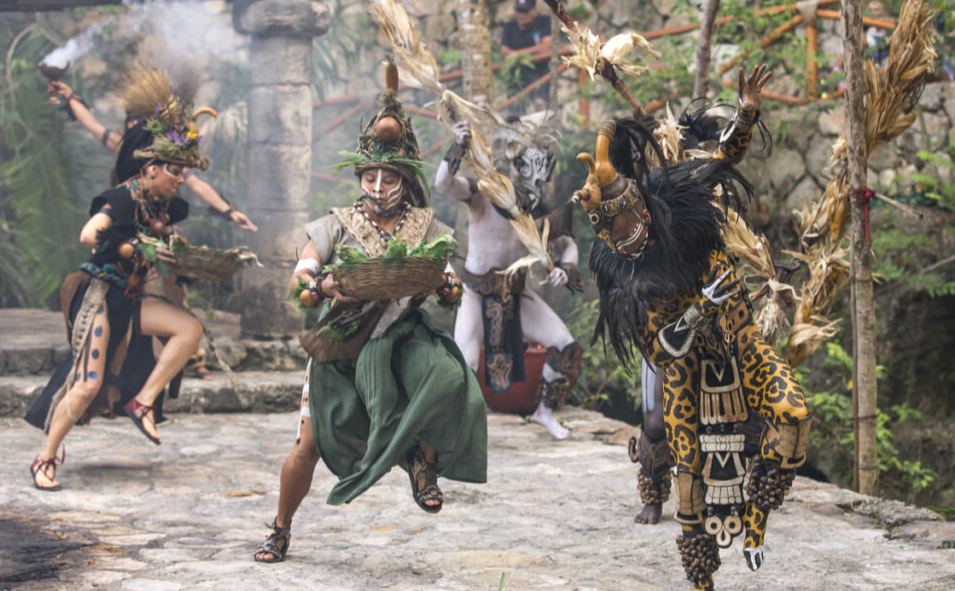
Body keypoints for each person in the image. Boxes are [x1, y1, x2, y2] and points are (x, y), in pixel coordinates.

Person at [253, 61, 487, 563]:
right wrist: (317, 285)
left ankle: (423, 466)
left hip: (402, 338)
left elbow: (447, 281)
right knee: (306, 446)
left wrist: (447, 287)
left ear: (405, 178)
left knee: (445, 374)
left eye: (388, 176)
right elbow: (304, 271)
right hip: (340, 341)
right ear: (359, 175)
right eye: (369, 175)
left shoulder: (426, 226)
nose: (378, 186)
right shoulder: (335, 224)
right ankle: (279, 526)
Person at [577, 89, 809, 590]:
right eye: (614, 234)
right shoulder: (626, 283)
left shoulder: (678, 196)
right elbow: (662, 352)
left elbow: (724, 157)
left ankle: (759, 504)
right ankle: (694, 569)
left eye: (630, 223)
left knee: (794, 418)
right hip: (682, 371)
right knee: (678, 465)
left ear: (641, 203)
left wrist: (746, 113)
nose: (628, 237)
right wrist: (701, 308)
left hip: (741, 345)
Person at [25, 64, 216, 490]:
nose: (180, 179)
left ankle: (143, 401)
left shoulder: (161, 207)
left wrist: (174, 249)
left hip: (129, 300)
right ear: (150, 168)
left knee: (189, 329)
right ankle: (44, 458)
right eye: (174, 171)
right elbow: (90, 233)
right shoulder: (124, 198)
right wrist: (134, 247)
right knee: (87, 386)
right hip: (99, 297)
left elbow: (166, 234)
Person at [48, 79, 255, 380]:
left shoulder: (167, 162)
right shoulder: (125, 166)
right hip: (124, 236)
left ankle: (189, 358)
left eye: (138, 119)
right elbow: (92, 126)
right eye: (129, 119)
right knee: (123, 300)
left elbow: (195, 182)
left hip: (157, 234)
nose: (132, 124)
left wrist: (229, 211)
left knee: (171, 290)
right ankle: (116, 376)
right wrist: (72, 99)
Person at [435, 113, 583, 439]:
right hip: (476, 292)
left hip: (517, 294)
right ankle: (457, 428)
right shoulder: (483, 191)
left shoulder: (539, 208)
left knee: (566, 347)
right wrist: (457, 147)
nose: (530, 179)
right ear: (513, 162)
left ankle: (545, 412)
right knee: (466, 363)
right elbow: (443, 184)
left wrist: (565, 269)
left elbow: (568, 247)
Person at [500, 0, 552, 112]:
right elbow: (504, 52)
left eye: (525, 11)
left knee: (542, 106)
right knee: (515, 110)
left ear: (534, 11)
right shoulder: (509, 27)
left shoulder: (544, 21)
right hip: (517, 77)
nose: (521, 15)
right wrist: (533, 51)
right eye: (519, 11)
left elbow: (546, 47)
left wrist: (517, 54)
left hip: (541, 73)